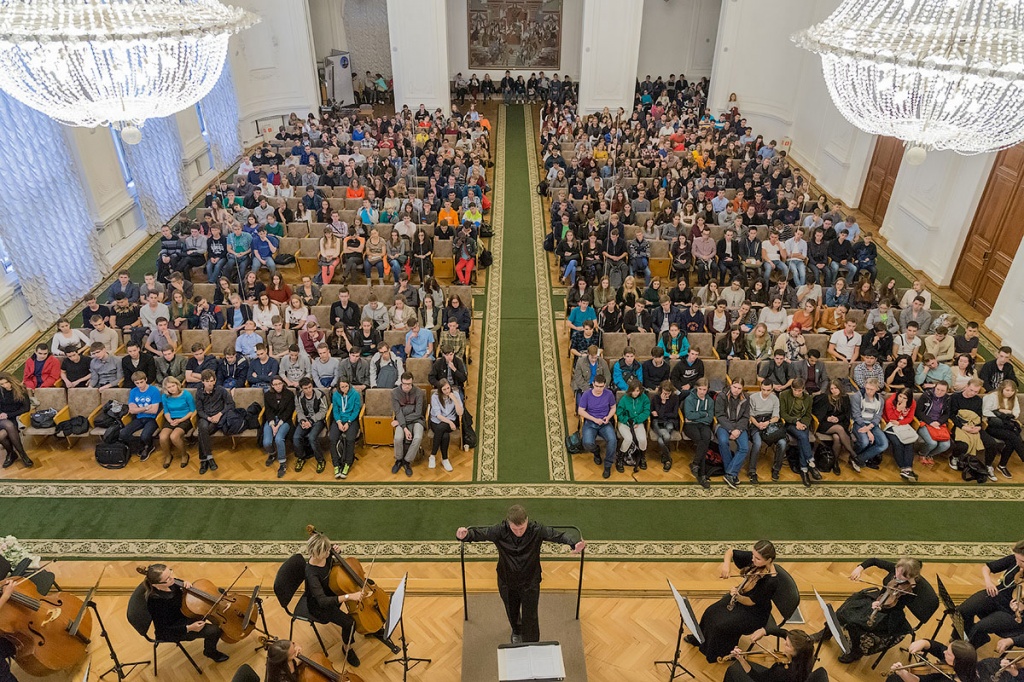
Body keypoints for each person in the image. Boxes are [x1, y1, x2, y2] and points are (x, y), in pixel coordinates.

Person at [455, 505, 585, 643]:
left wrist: (574, 542)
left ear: (527, 521)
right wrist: (464, 536)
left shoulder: (537, 529)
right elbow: (479, 534)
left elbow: (559, 535)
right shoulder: (499, 530)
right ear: (508, 523)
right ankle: (516, 631)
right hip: (507, 580)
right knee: (512, 611)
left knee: (531, 615)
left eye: (522, 528)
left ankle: (532, 642)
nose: (518, 532)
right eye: (515, 529)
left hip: (530, 581)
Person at [688, 541, 779, 663]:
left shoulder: (770, 582)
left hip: (755, 613)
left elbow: (750, 602)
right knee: (710, 612)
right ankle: (699, 639)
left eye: (757, 559)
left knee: (721, 625)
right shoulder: (755, 559)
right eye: (753, 555)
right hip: (742, 595)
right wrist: (726, 565)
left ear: (769, 560)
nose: (753, 560)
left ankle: (718, 653)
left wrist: (736, 595)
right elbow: (730, 552)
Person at [835, 557, 923, 663]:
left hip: (890, 613)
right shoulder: (897, 568)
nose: (897, 576)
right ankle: (827, 631)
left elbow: (896, 605)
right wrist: (860, 568)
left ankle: (856, 651)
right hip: (879, 598)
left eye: (903, 576)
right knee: (849, 605)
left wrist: (881, 605)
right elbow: (874, 560)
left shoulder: (913, 590)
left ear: (911, 577)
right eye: (897, 571)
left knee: (854, 623)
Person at [141, 564, 228, 663]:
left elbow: (179, 586)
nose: (172, 579)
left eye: (170, 573)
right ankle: (210, 652)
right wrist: (190, 628)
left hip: (185, 612)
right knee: (214, 630)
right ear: (156, 585)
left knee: (220, 592)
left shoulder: (171, 582)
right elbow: (163, 630)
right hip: (177, 627)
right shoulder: (156, 602)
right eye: (168, 578)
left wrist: (185, 584)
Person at [302, 532, 361, 667]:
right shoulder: (311, 573)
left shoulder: (326, 556)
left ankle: (370, 625)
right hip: (319, 606)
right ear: (316, 554)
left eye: (329, 549)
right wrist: (348, 596)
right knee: (349, 623)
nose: (329, 552)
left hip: (333, 590)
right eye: (326, 551)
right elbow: (322, 601)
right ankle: (347, 648)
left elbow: (333, 564)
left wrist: (338, 551)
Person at [724, 627, 815, 682]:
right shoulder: (806, 658)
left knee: (733, 669)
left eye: (787, 645)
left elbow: (758, 679)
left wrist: (742, 660)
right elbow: (784, 633)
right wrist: (765, 631)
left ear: (796, 652)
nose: (784, 644)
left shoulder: (782, 671)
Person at [578, 374, 618, 479]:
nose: (599, 389)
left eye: (601, 386)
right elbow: (580, 411)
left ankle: (608, 465)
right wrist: (594, 419)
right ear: (593, 384)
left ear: (605, 385)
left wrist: (608, 417)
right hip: (591, 423)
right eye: (597, 386)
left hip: (605, 423)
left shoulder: (609, 394)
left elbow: (613, 407)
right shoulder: (586, 394)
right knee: (586, 443)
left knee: (612, 440)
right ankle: (596, 451)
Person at [780, 379, 819, 486]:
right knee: (803, 436)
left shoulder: (808, 398)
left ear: (803, 389)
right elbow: (783, 414)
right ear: (791, 388)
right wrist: (796, 422)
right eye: (795, 390)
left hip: (802, 424)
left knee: (803, 438)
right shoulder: (784, 395)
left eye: (799, 390)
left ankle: (805, 469)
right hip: (790, 423)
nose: (797, 393)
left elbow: (807, 415)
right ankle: (810, 462)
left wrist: (804, 424)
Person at [813, 378, 855, 473]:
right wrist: (827, 418)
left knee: (837, 438)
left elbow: (846, 414)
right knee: (839, 429)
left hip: (839, 422)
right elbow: (817, 412)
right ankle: (853, 454)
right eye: (831, 389)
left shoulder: (845, 398)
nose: (834, 390)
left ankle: (834, 462)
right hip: (825, 423)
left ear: (840, 388)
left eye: (836, 388)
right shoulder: (824, 397)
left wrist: (837, 419)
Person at [983, 380, 1023, 478]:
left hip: (1007, 426)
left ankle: (1002, 465)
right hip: (993, 426)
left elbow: (1016, 413)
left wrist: (1004, 411)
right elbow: (986, 411)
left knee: (1011, 441)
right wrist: (1000, 412)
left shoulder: (1014, 399)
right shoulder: (993, 396)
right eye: (1007, 390)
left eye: (1012, 391)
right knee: (1014, 436)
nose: (1010, 393)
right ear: (1002, 389)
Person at [887, 639, 978, 682]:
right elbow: (939, 648)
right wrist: (925, 643)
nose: (945, 652)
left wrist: (903, 674)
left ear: (957, 661)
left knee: (894, 679)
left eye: (948, 653)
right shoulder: (967, 666)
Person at [716, 378, 751, 489]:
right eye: (734, 387)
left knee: (744, 447)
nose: (736, 390)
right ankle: (731, 473)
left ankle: (730, 473)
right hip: (724, 425)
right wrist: (731, 430)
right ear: (731, 385)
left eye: (739, 388)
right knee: (723, 441)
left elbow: (745, 417)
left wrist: (738, 430)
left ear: (742, 389)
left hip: (739, 426)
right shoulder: (722, 396)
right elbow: (720, 415)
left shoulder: (746, 398)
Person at [194, 370, 231, 474]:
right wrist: (208, 418)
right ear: (202, 382)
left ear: (215, 381)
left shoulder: (221, 390)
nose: (210, 383)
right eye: (207, 381)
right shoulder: (199, 392)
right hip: (205, 417)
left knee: (202, 433)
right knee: (203, 428)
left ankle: (203, 460)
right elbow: (199, 410)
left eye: (211, 381)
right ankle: (209, 457)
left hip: (218, 418)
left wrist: (220, 414)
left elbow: (230, 404)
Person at [391, 372, 425, 476]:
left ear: (412, 382)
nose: (407, 386)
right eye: (405, 384)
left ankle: (407, 461)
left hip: (417, 420)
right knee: (398, 438)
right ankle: (398, 459)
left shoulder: (419, 392)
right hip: (402, 421)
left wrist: (401, 421)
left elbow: (418, 413)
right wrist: (405, 428)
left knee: (418, 437)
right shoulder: (394, 393)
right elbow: (398, 412)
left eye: (409, 384)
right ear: (401, 382)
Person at [683, 378, 715, 488]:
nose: (702, 391)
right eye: (700, 389)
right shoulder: (689, 399)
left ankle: (696, 464)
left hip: (704, 425)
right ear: (696, 388)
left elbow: (710, 418)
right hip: (690, 426)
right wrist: (703, 414)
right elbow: (689, 416)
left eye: (704, 389)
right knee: (702, 442)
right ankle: (702, 475)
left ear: (707, 390)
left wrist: (697, 417)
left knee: (706, 439)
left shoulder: (710, 401)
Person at [293, 377, 327, 474]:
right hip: (305, 419)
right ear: (302, 389)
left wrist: (311, 421)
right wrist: (303, 420)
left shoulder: (320, 395)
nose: (308, 390)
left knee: (312, 438)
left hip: (317, 420)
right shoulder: (299, 396)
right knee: (296, 437)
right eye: (305, 388)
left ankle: (320, 460)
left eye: (310, 387)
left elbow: (323, 411)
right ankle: (301, 457)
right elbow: (298, 410)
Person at [329, 378, 361, 480]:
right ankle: (336, 464)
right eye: (342, 387)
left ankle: (347, 463)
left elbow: (356, 410)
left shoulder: (355, 394)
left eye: (346, 386)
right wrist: (338, 422)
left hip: (351, 420)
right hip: (338, 420)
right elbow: (335, 410)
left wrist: (348, 422)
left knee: (350, 439)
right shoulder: (335, 395)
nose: (344, 389)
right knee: (332, 439)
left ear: (349, 385)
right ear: (339, 387)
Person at [262, 376, 294, 478]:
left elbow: (288, 411)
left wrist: (278, 425)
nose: (278, 386)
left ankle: (282, 462)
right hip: (271, 420)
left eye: (279, 384)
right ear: (272, 385)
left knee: (279, 439)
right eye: (275, 384)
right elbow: (268, 411)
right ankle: (272, 453)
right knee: (267, 442)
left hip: (284, 420)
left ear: (283, 383)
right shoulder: (267, 395)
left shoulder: (289, 394)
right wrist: (272, 425)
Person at [615, 379, 650, 472]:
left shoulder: (644, 398)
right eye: (634, 390)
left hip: (638, 422)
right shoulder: (625, 399)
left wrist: (637, 420)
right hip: (625, 423)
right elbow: (619, 412)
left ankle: (642, 457)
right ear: (630, 390)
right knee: (628, 439)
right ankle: (620, 459)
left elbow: (646, 411)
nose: (635, 393)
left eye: (638, 391)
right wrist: (627, 420)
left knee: (642, 439)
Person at [429, 379, 463, 471]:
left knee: (441, 429)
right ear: (440, 390)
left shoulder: (455, 394)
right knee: (444, 435)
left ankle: (432, 455)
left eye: (448, 388)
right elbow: (438, 415)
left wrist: (455, 400)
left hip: (450, 421)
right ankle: (445, 459)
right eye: (444, 389)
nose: (447, 391)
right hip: (436, 421)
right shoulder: (435, 397)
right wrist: (450, 422)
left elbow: (460, 412)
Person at [916, 381, 952, 466]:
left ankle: (930, 454)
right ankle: (922, 454)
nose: (939, 392)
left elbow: (947, 414)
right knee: (932, 443)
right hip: (925, 422)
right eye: (937, 389)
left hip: (939, 423)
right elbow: (918, 412)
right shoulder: (926, 395)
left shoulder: (947, 399)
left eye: (942, 391)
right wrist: (930, 422)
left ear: (946, 391)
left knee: (946, 445)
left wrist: (939, 422)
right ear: (934, 388)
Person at [0, 374, 32, 468]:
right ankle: (19, 454)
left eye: (7, 382)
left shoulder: (21, 391)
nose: (5, 386)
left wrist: (8, 415)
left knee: (2, 435)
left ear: (11, 381)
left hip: (12, 417)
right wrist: (1, 413)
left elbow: (26, 408)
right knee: (8, 426)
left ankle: (14, 454)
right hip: (1, 417)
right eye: (2, 384)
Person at [649, 380, 680, 472]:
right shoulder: (656, 398)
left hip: (670, 422)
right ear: (661, 390)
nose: (666, 395)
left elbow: (674, 414)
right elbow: (659, 416)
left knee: (661, 439)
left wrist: (660, 413)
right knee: (666, 436)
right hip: (657, 422)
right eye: (664, 392)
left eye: (668, 393)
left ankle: (665, 456)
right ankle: (668, 460)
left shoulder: (675, 398)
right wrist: (663, 402)